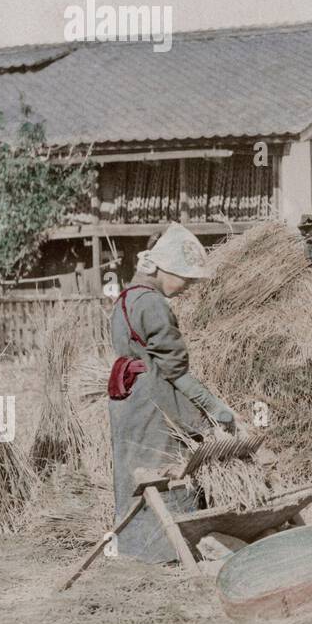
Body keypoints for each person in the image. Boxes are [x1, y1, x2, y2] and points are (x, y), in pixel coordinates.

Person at [107, 223, 240, 563]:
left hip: (128, 401)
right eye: (185, 278)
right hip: (154, 403)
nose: (187, 286)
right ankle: (169, 552)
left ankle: (137, 552)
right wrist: (215, 408)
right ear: (159, 268)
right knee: (166, 471)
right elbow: (175, 370)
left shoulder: (124, 299)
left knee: (134, 474)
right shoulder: (153, 304)